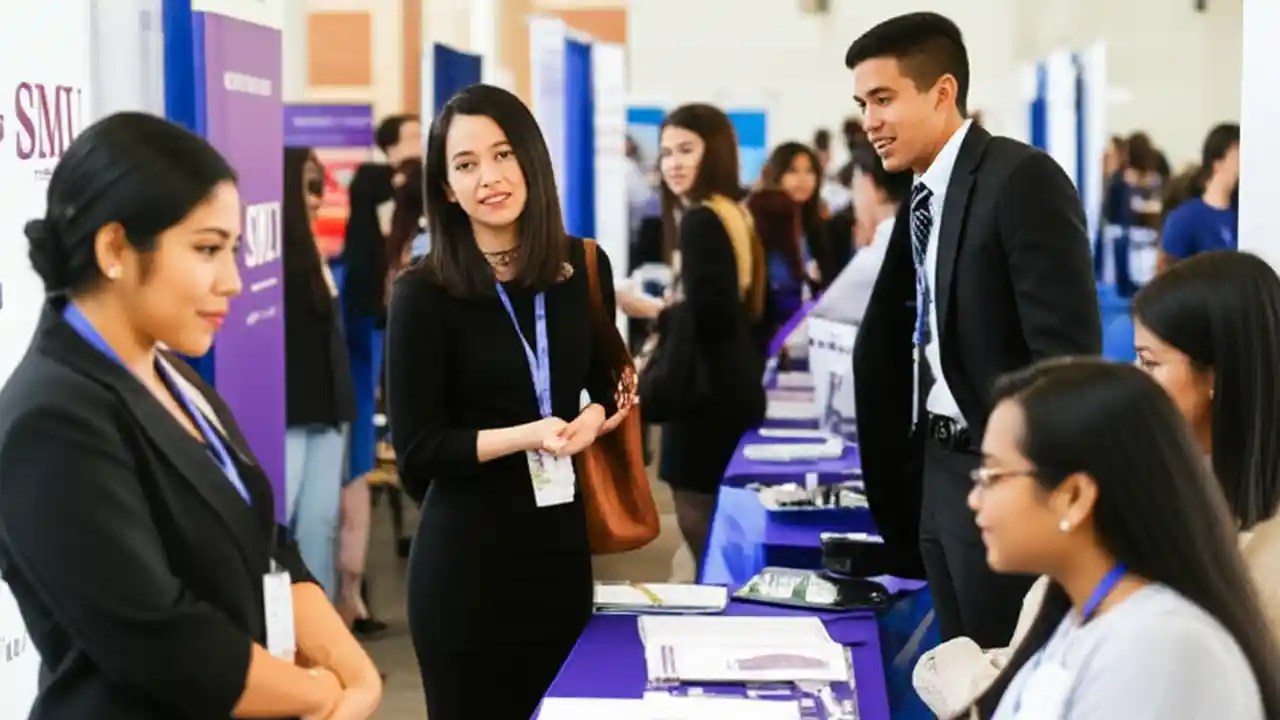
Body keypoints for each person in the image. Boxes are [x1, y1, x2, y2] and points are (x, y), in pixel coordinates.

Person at [0, 112, 380, 719]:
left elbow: (266, 545)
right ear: (115, 248)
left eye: (232, 249)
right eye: (207, 249)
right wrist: (323, 694)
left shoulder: (168, 371)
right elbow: (160, 640)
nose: (232, 281)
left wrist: (354, 670)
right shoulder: (52, 417)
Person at [914, 250, 1280, 718]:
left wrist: (967, 676)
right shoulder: (1156, 499)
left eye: (1150, 362)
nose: (1135, 380)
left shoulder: (1176, 633)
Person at [846, 12, 1100, 646]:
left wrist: (1034, 483)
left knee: (1004, 669)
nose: (868, 121)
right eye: (861, 104)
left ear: (942, 92)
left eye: (883, 99)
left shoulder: (1020, 180)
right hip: (937, 470)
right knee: (957, 674)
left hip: (1003, 472)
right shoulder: (924, 196)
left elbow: (1065, 359)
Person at [386, 84, 628, 720]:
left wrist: (592, 419)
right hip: (466, 565)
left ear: (531, 160)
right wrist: (529, 435)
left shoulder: (583, 266)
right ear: (445, 188)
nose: (488, 177)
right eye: (465, 165)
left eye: (501, 155)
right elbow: (418, 450)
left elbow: (609, 377)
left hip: (559, 555)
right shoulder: (423, 292)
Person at [969, 359, 1280, 719]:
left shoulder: (1157, 647)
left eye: (993, 475)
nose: (974, 498)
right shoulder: (1080, 623)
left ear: (1074, 496)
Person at [639, 103, 767, 573]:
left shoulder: (699, 220)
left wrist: (652, 309)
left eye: (686, 150)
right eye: (667, 151)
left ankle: (720, 606)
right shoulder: (735, 212)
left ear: (714, 152)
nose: (673, 162)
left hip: (703, 391)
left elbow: (710, 311)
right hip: (734, 380)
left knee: (701, 518)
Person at [283, 148, 356, 600]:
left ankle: (323, 647)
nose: (317, 198)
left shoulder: (318, 255)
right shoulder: (267, 262)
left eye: (320, 187)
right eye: (309, 187)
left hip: (329, 411)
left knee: (320, 525)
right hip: (290, 412)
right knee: (284, 526)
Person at [811, 140, 911, 325]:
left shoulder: (876, 255)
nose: (854, 201)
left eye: (856, 188)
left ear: (874, 187)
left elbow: (821, 318)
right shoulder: (919, 239)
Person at [1159, 123, 1240, 268]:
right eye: (1238, 157)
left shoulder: (1242, 217)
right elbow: (1168, 277)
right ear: (1218, 163)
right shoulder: (1184, 218)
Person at [760, 142, 839, 283]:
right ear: (776, 175)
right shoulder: (762, 224)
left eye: (809, 171)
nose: (803, 179)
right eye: (792, 171)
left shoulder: (817, 225)